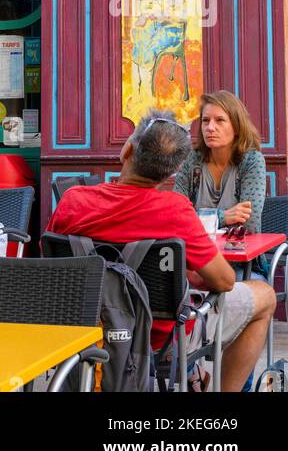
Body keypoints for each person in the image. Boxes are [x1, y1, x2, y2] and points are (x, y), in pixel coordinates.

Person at [47, 108, 276, 392]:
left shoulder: (73, 200)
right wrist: (189, 274)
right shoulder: (175, 210)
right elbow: (225, 281)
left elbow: (52, 266)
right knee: (265, 295)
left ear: (127, 149)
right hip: (160, 339)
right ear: (171, 172)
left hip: (83, 327)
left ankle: (195, 379)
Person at [175, 90, 267, 233]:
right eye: (205, 120)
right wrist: (223, 217)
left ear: (236, 126)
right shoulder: (192, 160)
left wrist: (198, 219)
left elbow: (249, 225)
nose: (210, 127)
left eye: (220, 120)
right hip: (196, 252)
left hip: (239, 252)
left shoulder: (251, 161)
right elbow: (176, 218)